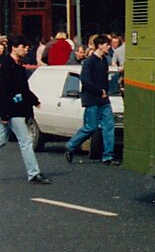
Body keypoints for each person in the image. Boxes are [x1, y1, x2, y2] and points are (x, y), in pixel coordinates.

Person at [0, 37, 52, 183]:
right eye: (23, 46)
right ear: (14, 48)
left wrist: (34, 101)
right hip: (12, 109)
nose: (26, 49)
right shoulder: (7, 66)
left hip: (16, 108)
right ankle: (34, 173)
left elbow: (23, 89)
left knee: (2, 139)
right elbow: (3, 90)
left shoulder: (17, 66)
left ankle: (33, 173)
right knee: (26, 140)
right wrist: (4, 113)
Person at [64, 34, 119, 166]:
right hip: (92, 99)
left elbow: (105, 80)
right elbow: (85, 81)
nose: (108, 47)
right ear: (99, 45)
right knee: (91, 127)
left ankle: (108, 157)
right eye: (107, 45)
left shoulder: (104, 61)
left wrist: (106, 93)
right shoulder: (89, 62)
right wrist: (99, 92)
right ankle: (71, 145)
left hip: (104, 100)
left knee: (109, 126)